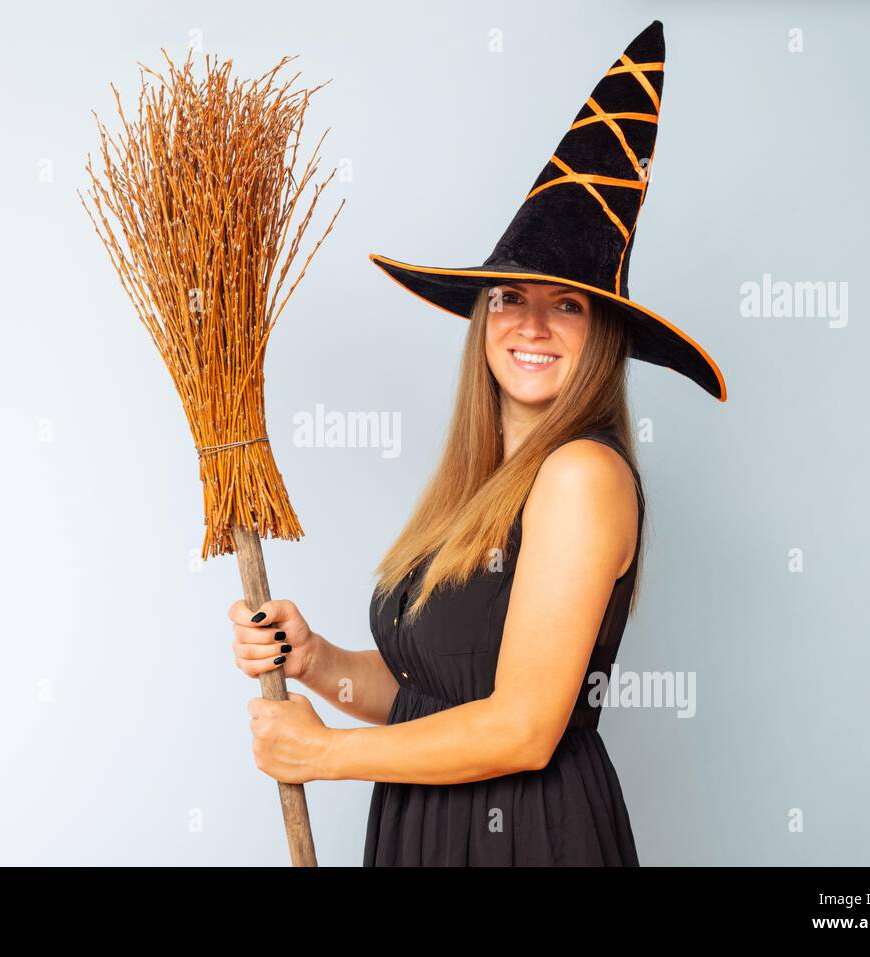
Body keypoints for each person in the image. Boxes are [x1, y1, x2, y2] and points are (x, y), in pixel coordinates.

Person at [230, 19, 726, 865]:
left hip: (530, 836)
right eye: (509, 297)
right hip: (431, 832)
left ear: (602, 330)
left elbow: (524, 727)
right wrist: (317, 663)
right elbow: (429, 701)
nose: (532, 323)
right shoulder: (481, 481)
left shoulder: (582, 475)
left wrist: (325, 756)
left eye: (566, 304)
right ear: (483, 318)